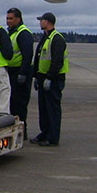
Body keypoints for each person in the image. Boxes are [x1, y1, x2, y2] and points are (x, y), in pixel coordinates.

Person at [31, 12, 69, 147]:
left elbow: (57, 61)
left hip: (53, 79)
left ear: (48, 22)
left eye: (41, 20)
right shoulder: (45, 37)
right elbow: (40, 58)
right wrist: (37, 76)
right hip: (43, 77)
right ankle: (45, 133)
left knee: (52, 109)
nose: (40, 22)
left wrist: (50, 77)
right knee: (44, 109)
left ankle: (53, 138)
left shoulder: (56, 39)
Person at [6, 7, 34, 139]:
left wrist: (22, 73)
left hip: (20, 72)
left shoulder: (23, 33)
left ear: (18, 19)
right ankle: (16, 130)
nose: (8, 21)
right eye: (7, 18)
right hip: (12, 72)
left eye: (11, 18)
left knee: (20, 104)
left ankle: (22, 132)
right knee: (13, 103)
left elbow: (27, 55)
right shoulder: (11, 33)